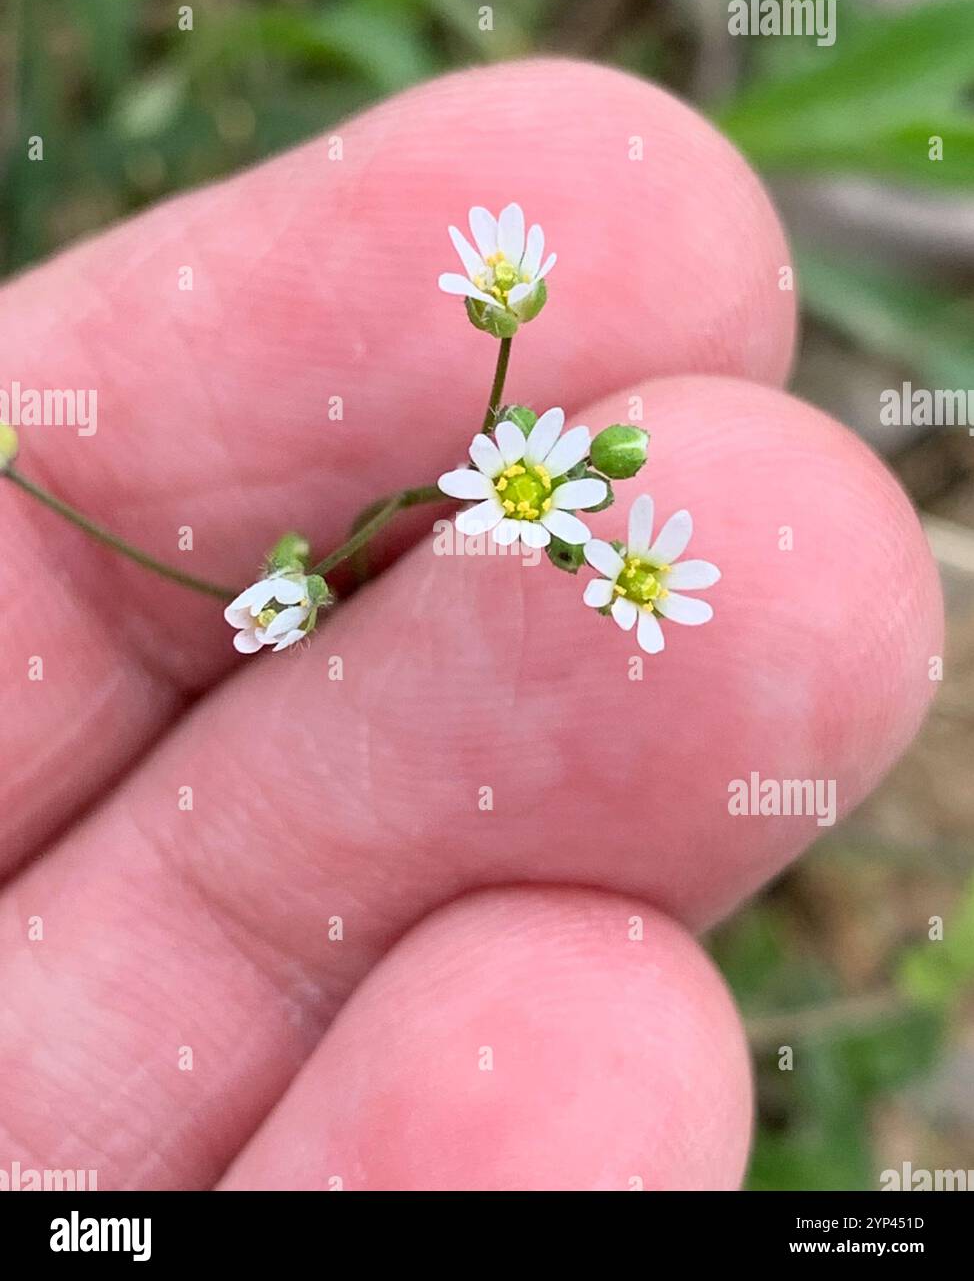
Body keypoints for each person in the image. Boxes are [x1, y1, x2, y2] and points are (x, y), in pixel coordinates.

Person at [0, 61, 942, 1190]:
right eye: (637, 573)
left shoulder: (563, 510)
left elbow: (525, 490)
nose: (502, 294)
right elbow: (482, 486)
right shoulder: (516, 487)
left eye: (634, 572)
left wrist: (552, 519)